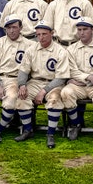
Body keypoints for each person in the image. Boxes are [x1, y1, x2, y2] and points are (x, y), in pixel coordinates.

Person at [15, 20, 69, 148]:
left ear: (52, 33)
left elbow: (61, 78)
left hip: (54, 83)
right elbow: (23, 71)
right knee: (22, 96)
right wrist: (22, 85)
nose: (41, 37)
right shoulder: (31, 49)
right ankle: (28, 130)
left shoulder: (61, 51)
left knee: (55, 100)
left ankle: (50, 134)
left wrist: (44, 91)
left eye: (44, 34)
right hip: (35, 81)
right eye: (38, 34)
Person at [0, 14, 34, 142]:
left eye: (14, 27)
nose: (11, 30)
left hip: (15, 79)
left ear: (20, 27)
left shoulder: (30, 45)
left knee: (11, 99)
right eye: (8, 27)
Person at [60, 17, 93, 142]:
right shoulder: (71, 49)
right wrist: (88, 77)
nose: (82, 32)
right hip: (79, 86)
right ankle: (76, 124)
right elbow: (72, 71)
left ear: (92, 30)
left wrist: (81, 79)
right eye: (79, 29)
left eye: (85, 29)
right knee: (66, 92)